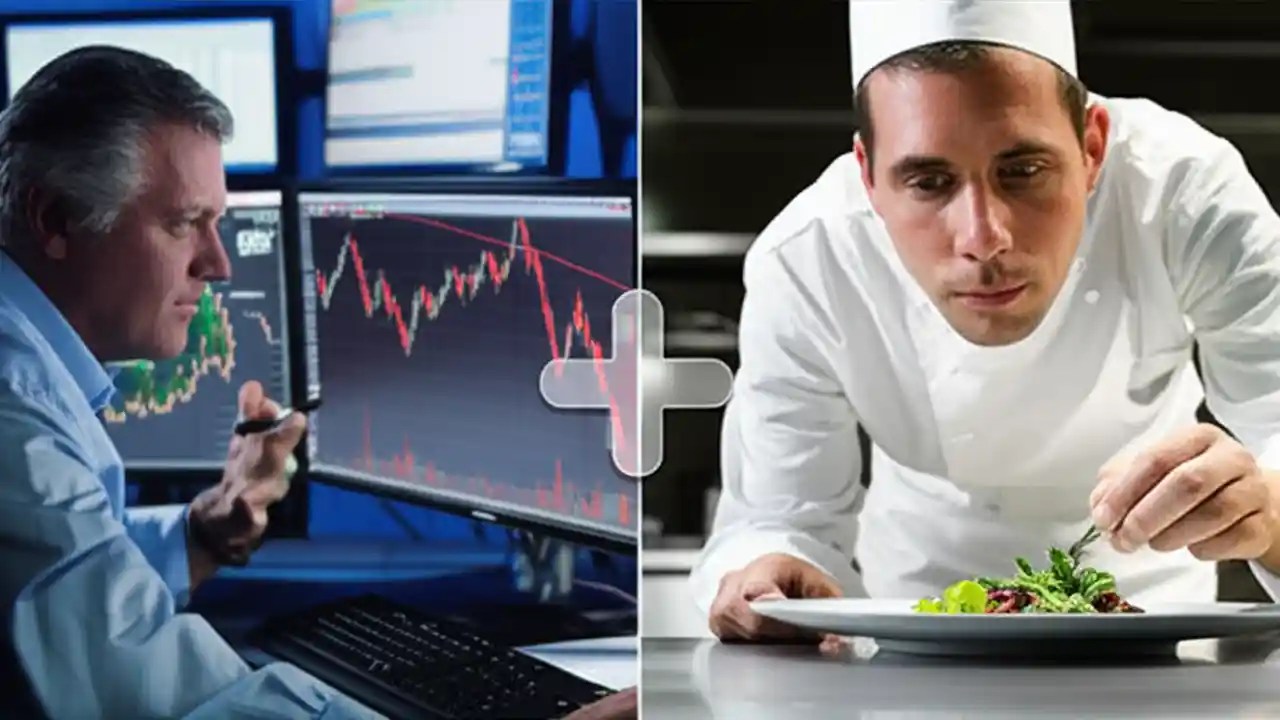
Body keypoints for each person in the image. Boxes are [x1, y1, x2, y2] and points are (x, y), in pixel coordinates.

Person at [0, 46, 637, 720]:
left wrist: (201, 535)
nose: (216, 264)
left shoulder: (33, 374)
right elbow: (159, 700)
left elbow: (71, 587)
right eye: (184, 223)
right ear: (55, 220)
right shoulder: (18, 415)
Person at [695, 0, 1280, 642]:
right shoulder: (809, 261)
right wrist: (775, 577)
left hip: (1159, 630)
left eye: (1022, 171)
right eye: (928, 182)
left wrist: (1271, 513)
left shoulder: (1186, 196)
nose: (983, 238)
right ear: (866, 176)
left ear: (1092, 147)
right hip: (913, 631)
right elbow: (779, 517)